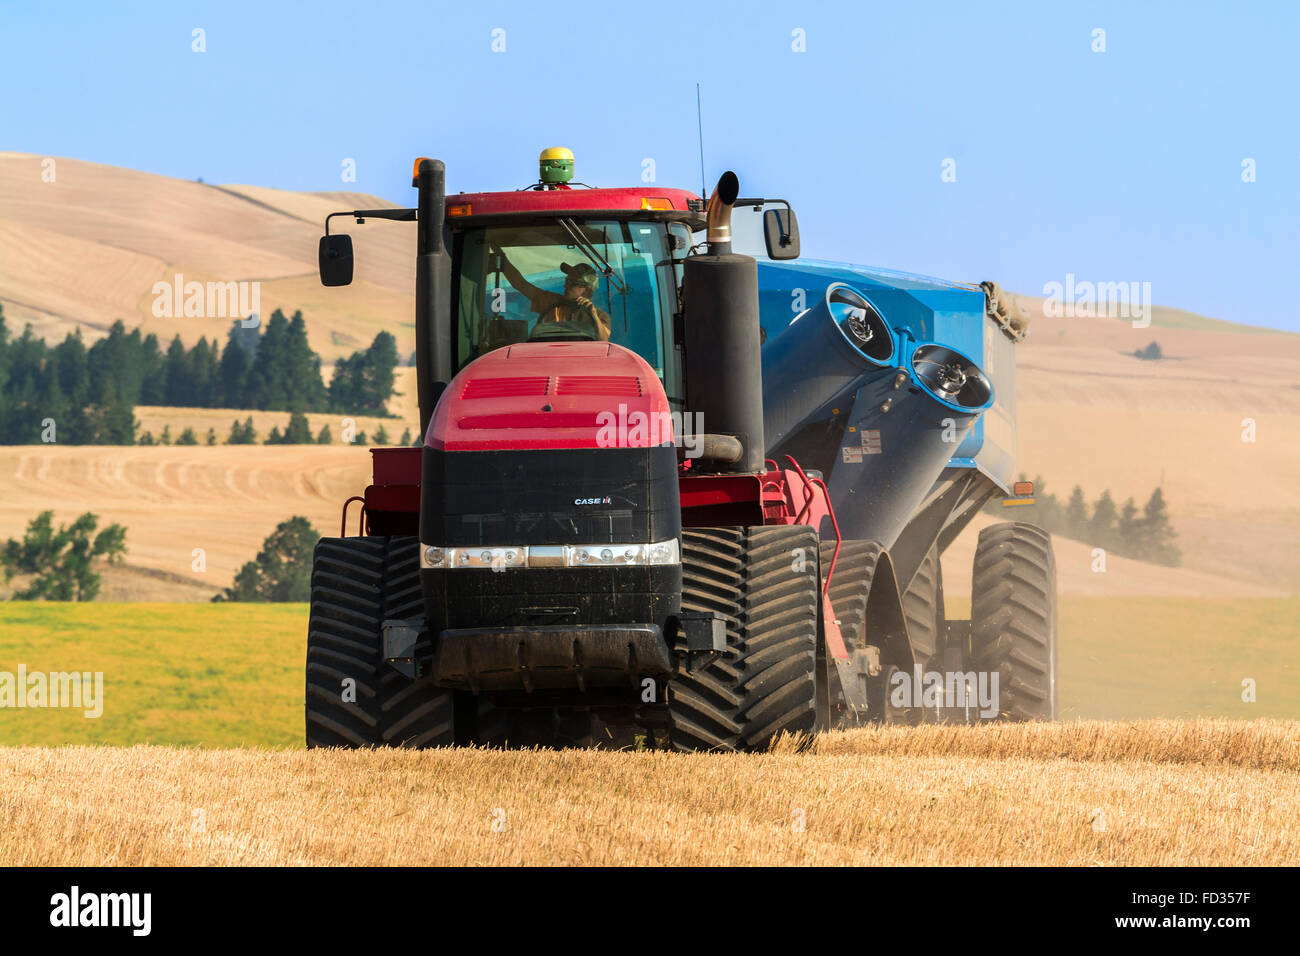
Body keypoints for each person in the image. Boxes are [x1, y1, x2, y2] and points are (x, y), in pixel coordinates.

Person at [494, 247, 612, 341]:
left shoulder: (601, 316)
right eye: (566, 281)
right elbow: (520, 284)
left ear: (586, 289)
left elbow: (603, 342)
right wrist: (500, 256)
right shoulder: (552, 302)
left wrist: (593, 315)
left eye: (571, 283)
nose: (565, 285)